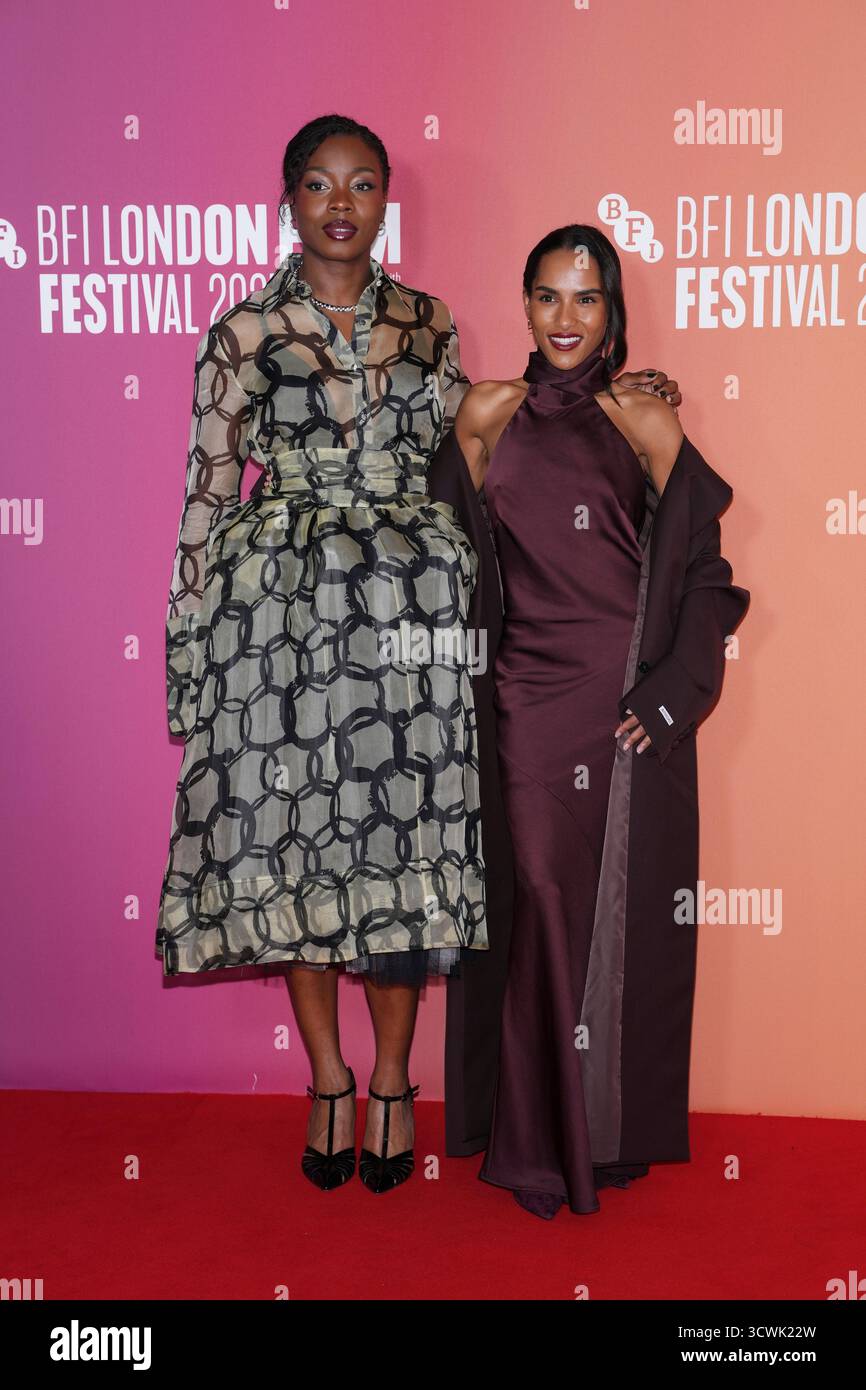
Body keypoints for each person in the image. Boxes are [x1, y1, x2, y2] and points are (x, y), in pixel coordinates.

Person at [155, 114, 488, 1195]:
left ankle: (391, 1080)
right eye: (317, 183)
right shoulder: (243, 333)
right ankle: (329, 1078)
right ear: (289, 200)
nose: (341, 204)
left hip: (406, 613)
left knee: (397, 845)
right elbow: (208, 498)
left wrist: (619, 395)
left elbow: (473, 444)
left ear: (386, 199)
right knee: (296, 843)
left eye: (362, 184)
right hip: (281, 620)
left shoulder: (429, 322)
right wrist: (188, 651)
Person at [430, 224, 749, 1217]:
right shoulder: (486, 412)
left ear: (611, 309)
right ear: (523, 304)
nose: (564, 318)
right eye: (547, 296)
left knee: (607, 915)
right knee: (538, 899)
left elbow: (705, 574)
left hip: (619, 706)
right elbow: (443, 564)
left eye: (586, 297)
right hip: (523, 697)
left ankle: (595, 1131)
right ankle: (538, 1142)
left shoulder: (643, 418)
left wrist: (670, 690)